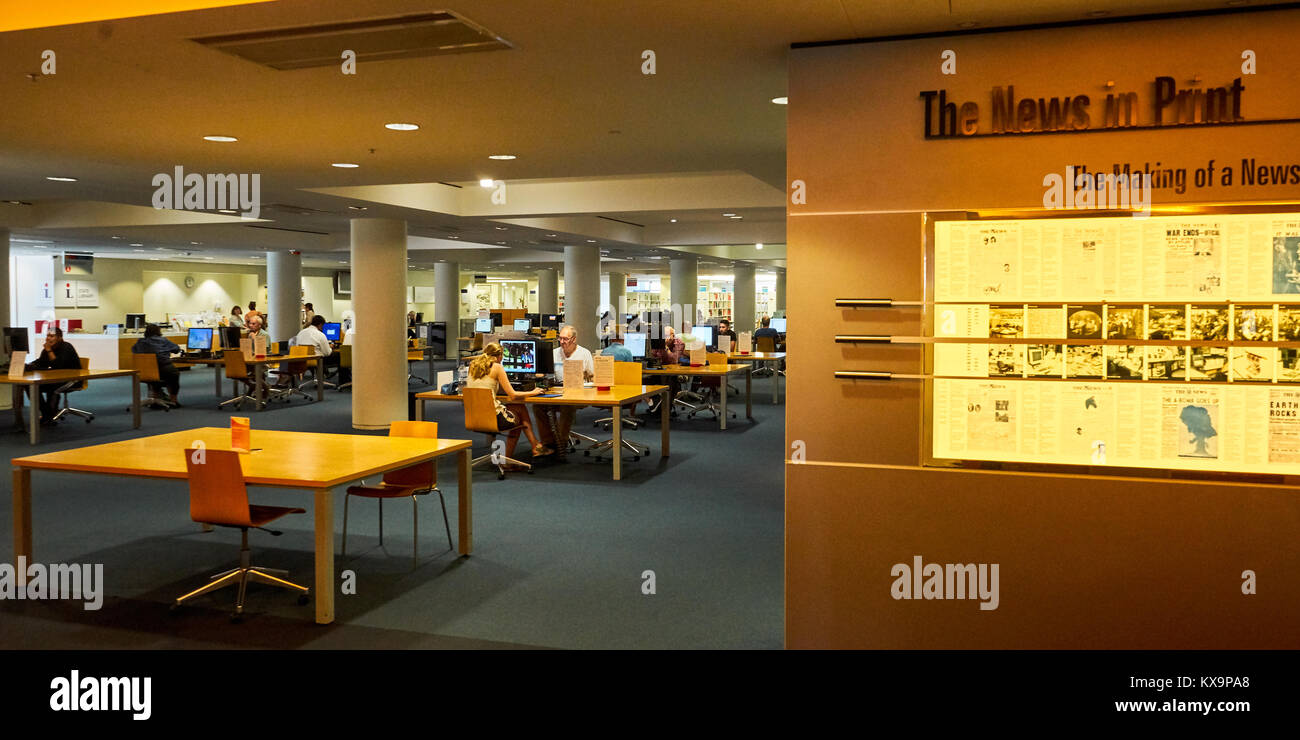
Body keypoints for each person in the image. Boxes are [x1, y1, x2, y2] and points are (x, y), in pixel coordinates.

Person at [465, 343, 550, 465]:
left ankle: (535, 446)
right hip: (494, 419)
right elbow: (513, 395)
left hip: (475, 418)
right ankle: (530, 449)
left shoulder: (473, 366)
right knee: (519, 409)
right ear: (499, 356)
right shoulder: (497, 367)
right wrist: (533, 392)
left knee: (515, 410)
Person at [534, 325, 594, 458]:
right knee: (538, 406)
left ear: (574, 339)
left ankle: (561, 443)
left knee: (567, 405)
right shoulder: (554, 353)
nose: (562, 342)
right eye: (560, 338)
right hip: (557, 390)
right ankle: (548, 442)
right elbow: (544, 373)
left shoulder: (584, 353)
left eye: (565, 339)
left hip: (577, 393)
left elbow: (592, 377)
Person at [23, 326, 82, 423]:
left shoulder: (66, 347)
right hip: (56, 379)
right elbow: (41, 362)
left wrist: (49, 351)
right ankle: (47, 413)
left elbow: (58, 366)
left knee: (53, 387)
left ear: (60, 338)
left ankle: (48, 416)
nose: (48, 338)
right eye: (47, 336)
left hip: (72, 380)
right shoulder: (48, 349)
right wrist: (28, 365)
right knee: (30, 386)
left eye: (52, 336)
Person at [131, 324, 182, 405]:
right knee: (174, 374)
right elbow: (176, 349)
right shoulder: (163, 340)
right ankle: (173, 400)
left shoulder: (139, 342)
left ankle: (155, 397)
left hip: (144, 372)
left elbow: (134, 351)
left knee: (155, 377)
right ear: (158, 331)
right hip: (163, 369)